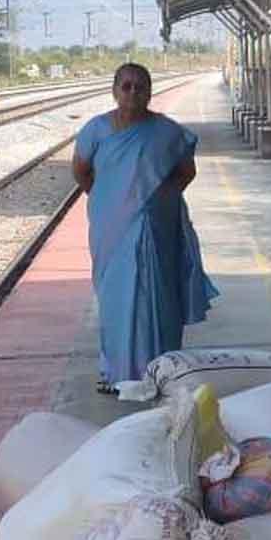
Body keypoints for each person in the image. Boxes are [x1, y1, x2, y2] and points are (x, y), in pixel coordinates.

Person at [71, 63, 218, 394]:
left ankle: (162, 370)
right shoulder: (96, 130)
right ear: (114, 90)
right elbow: (81, 171)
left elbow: (185, 171)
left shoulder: (166, 132)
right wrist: (112, 198)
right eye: (127, 86)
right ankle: (115, 372)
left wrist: (158, 198)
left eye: (140, 87)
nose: (133, 93)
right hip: (111, 228)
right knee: (115, 298)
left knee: (160, 295)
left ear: (150, 92)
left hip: (157, 226)